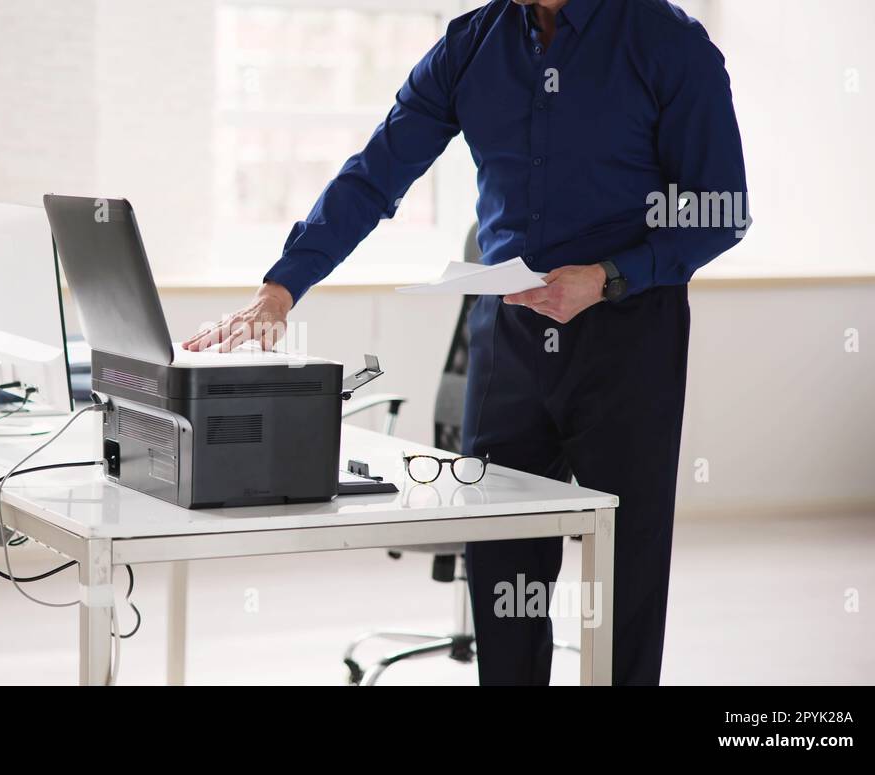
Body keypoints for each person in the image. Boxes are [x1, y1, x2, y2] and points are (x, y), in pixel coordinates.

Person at [183, 0, 749, 685]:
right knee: (504, 577)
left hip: (630, 340)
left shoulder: (666, 42)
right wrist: (280, 289)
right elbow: (375, 173)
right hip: (508, 343)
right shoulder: (471, 45)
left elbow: (721, 210)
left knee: (627, 578)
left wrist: (608, 277)